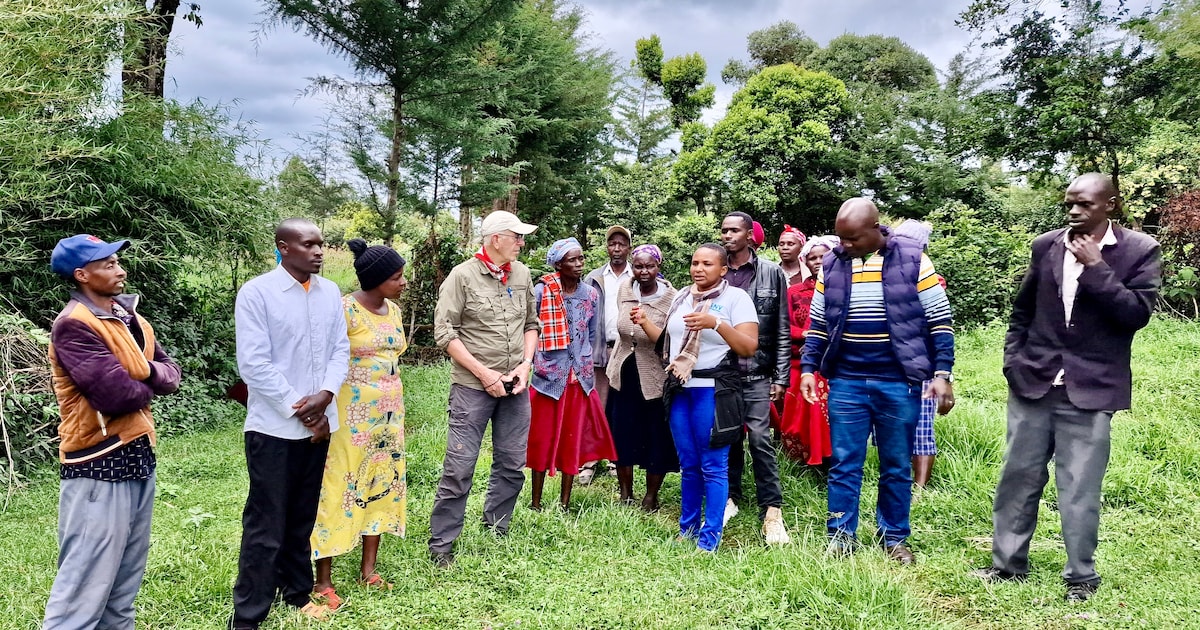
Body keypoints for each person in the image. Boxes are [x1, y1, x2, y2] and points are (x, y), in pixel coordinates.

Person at [972, 173, 1161, 602]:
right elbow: (1021, 312)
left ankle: (1081, 576)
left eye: (1085, 205)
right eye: (1069, 204)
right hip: (1033, 383)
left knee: (1079, 487)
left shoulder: (1138, 250)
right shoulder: (1046, 245)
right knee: (1017, 479)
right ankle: (1007, 565)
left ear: (1109, 205)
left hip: (1091, 390)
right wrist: (1012, 363)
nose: (1074, 212)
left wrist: (1097, 267)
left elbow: (1135, 315)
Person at [800, 199, 955, 565]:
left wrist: (943, 374)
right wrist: (809, 368)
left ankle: (894, 537)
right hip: (847, 381)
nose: (844, 245)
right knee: (844, 462)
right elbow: (818, 323)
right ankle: (840, 537)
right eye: (841, 238)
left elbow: (939, 320)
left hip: (898, 381)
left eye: (852, 238)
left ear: (875, 228)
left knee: (897, 463)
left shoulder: (913, 258)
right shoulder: (832, 263)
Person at [42, 235, 182, 630]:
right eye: (107, 265)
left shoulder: (130, 317)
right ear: (82, 275)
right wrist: (149, 380)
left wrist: (145, 373)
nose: (119, 271)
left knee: (122, 590)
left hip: (138, 454)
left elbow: (171, 374)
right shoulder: (73, 325)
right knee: (82, 591)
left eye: (117, 261)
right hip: (97, 463)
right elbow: (116, 395)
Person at [231, 218, 349, 629]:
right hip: (274, 427)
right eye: (309, 244)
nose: (319, 251)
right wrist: (302, 408)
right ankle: (248, 614)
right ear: (283, 246)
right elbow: (254, 364)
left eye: (321, 244)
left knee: (302, 515)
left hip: (319, 424)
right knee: (267, 521)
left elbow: (340, 349)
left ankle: (297, 594)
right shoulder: (258, 292)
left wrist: (327, 395)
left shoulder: (330, 291)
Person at [430, 210, 540, 567]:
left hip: (516, 384)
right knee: (460, 467)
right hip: (472, 387)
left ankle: (497, 528)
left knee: (511, 462)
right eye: (517, 237)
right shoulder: (461, 277)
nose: (522, 243)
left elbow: (531, 323)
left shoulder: (522, 274)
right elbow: (445, 334)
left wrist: (525, 365)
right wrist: (484, 374)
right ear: (496, 239)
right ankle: (442, 545)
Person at [638, 244, 759, 552]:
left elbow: (748, 346)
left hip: (713, 390)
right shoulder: (681, 298)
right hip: (680, 388)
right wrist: (644, 323)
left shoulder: (735, 299)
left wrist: (716, 323)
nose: (698, 268)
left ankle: (710, 538)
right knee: (689, 463)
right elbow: (666, 342)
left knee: (713, 465)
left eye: (707, 263)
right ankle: (687, 528)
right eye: (695, 263)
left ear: (723, 270)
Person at [310, 239, 409, 609]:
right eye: (397, 277)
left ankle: (369, 569)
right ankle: (323, 580)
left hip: (389, 419)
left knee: (381, 483)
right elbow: (325, 361)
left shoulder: (394, 311)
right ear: (377, 279)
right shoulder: (344, 310)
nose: (403, 282)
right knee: (340, 487)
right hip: (350, 421)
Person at [526, 238, 616, 510]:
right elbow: (531, 331)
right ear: (558, 264)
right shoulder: (543, 291)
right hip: (548, 376)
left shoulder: (590, 294)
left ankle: (565, 502)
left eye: (581, 259)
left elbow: (590, 333)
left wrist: (583, 363)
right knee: (541, 439)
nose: (578, 264)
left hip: (579, 377)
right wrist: (534, 362)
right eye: (571, 260)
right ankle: (536, 501)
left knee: (572, 438)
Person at [720, 211, 791, 545]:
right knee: (728, 437)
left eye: (734, 230)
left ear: (750, 235)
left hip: (758, 371)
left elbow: (781, 326)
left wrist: (781, 375)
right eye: (723, 230)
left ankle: (772, 509)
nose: (727, 236)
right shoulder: (717, 272)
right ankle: (730, 497)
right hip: (722, 372)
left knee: (761, 439)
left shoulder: (771, 273)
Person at [607, 244, 678, 511]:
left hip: (654, 378)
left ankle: (651, 496)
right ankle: (625, 492)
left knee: (655, 436)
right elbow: (622, 330)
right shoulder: (625, 290)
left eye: (650, 266)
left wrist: (646, 322)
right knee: (622, 433)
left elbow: (668, 342)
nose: (644, 271)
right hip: (623, 373)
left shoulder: (671, 298)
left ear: (659, 266)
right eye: (638, 266)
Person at [580, 225, 633, 485]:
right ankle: (589, 461)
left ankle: (617, 459)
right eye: (612, 243)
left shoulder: (639, 275)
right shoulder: (593, 278)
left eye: (621, 243)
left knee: (621, 407)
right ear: (606, 247)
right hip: (599, 350)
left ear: (629, 248)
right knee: (596, 405)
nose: (616, 248)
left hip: (628, 353)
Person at [779, 235, 838, 464]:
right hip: (800, 361)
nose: (818, 262)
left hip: (834, 362)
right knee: (800, 414)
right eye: (812, 258)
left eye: (823, 256)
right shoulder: (794, 292)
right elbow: (784, 324)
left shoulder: (845, 288)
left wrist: (821, 342)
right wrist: (806, 336)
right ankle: (802, 463)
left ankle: (833, 461)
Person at [891, 220, 941, 488]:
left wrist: (944, 375)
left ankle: (919, 488)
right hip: (893, 366)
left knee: (922, 428)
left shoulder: (930, 278)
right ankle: (899, 481)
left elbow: (938, 327)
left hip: (923, 365)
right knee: (897, 428)